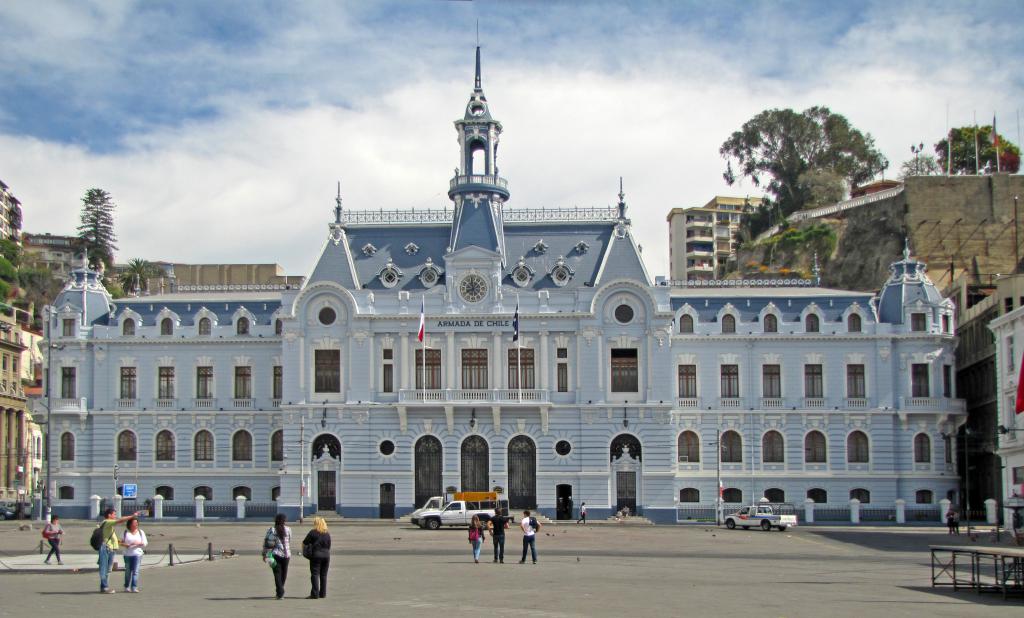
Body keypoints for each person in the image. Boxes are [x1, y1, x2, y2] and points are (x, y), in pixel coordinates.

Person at [97, 507, 143, 593]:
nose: (115, 516)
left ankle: (104, 586)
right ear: (109, 515)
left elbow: (111, 537)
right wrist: (132, 516)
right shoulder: (107, 522)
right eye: (114, 514)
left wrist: (122, 543)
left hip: (110, 549)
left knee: (108, 569)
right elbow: (120, 520)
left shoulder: (109, 525)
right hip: (106, 549)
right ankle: (104, 587)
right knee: (105, 568)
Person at [263, 513, 292, 599]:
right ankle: (280, 591)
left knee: (277, 574)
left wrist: (265, 555)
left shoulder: (272, 530)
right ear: (284, 521)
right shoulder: (288, 529)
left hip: (276, 554)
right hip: (287, 555)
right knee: (284, 574)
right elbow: (289, 540)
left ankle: (280, 592)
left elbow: (267, 543)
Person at [302, 516, 331, 599]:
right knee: (324, 575)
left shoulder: (313, 532)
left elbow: (305, 542)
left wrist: (305, 550)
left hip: (316, 556)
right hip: (326, 556)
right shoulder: (327, 534)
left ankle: (315, 594)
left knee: (315, 574)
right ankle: (323, 593)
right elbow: (329, 546)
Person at [121, 517, 148, 592]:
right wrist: (125, 545)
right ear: (130, 524)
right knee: (128, 571)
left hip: (137, 554)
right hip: (127, 554)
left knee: (135, 571)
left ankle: (134, 586)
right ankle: (126, 586)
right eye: (134, 523)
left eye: (137, 523)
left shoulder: (140, 532)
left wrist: (138, 543)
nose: (136, 524)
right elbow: (120, 542)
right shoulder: (125, 532)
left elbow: (145, 543)